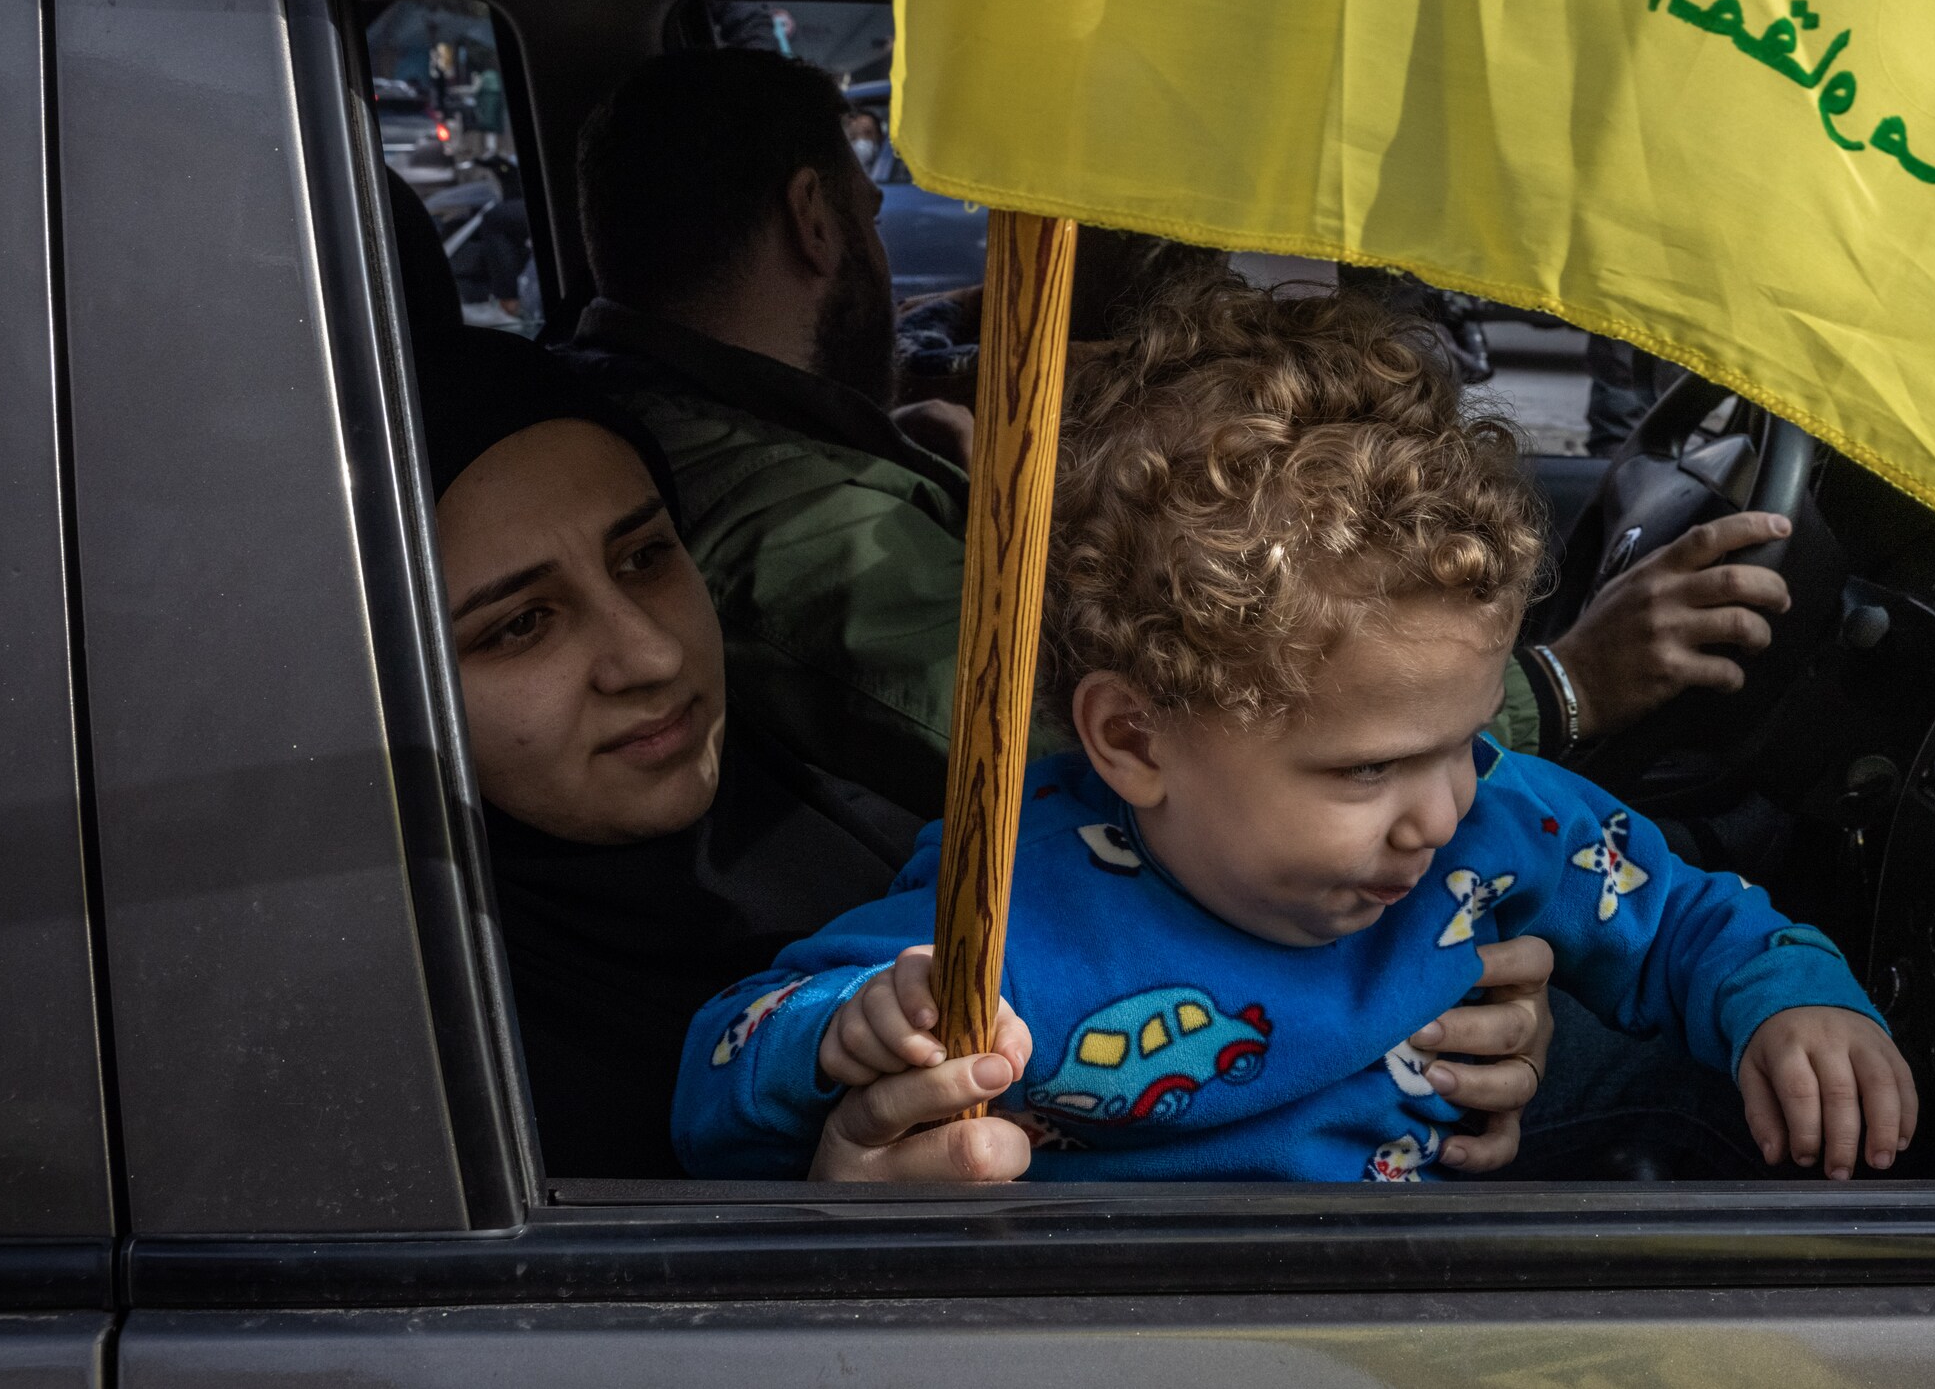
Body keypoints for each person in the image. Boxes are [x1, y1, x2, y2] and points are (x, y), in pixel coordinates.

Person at [672, 282, 1912, 1183]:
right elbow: (720, 1074)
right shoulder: (1007, 914)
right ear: (1133, 740)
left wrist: (1794, 1004)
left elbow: (1683, 917)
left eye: (1461, 738)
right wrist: (846, 1030)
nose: (1442, 809)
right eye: (1367, 768)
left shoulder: (1500, 821)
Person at [419, 326, 1553, 1179]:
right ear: (382, 679)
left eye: (644, 557)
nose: (651, 652)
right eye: (519, 626)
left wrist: (1443, 1031)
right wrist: (826, 1235)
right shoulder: (437, 1071)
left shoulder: (807, 783)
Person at [566, 50, 1793, 820]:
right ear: (814, 221)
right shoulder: (793, 520)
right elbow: (1068, 751)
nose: (890, 267)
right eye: (870, 219)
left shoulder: (691, 430)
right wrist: (1560, 686)